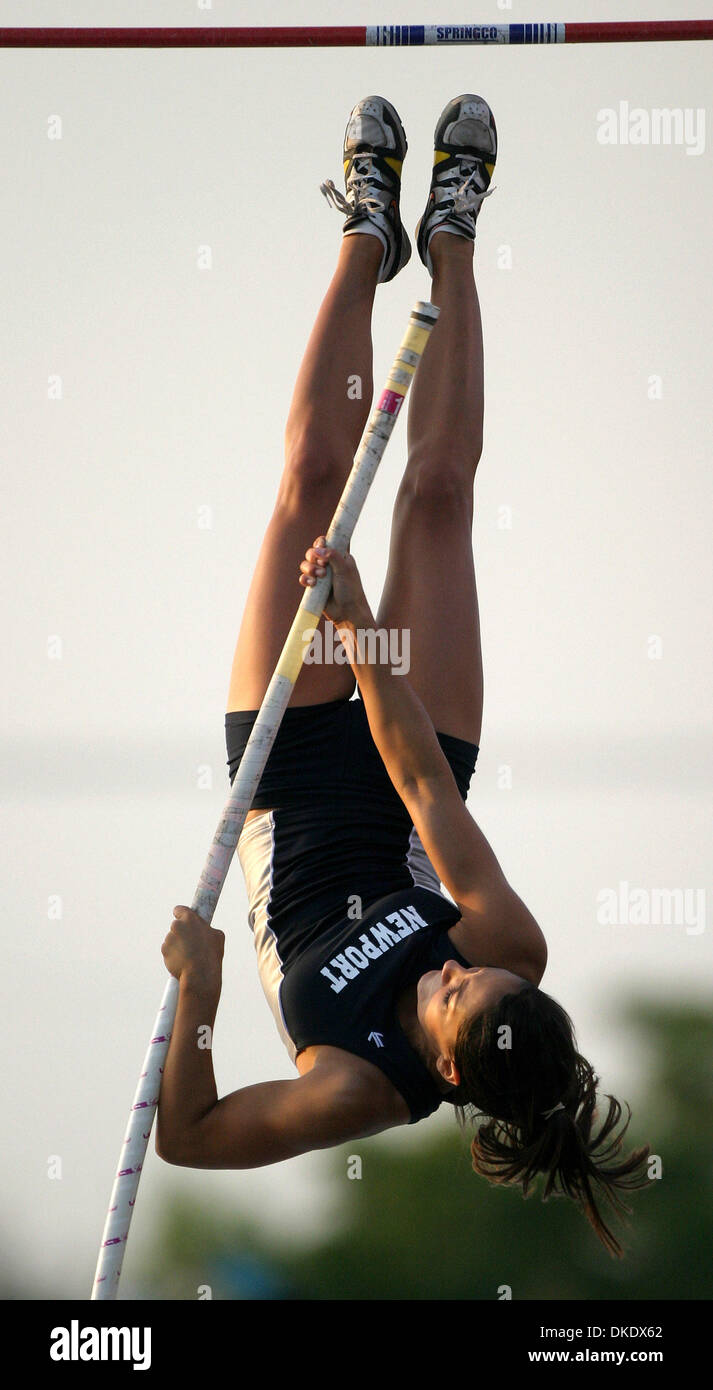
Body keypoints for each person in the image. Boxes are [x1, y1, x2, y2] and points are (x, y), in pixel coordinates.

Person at [157, 96, 651, 1257]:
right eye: (469, 975)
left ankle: (362, 228)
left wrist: (201, 996)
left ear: (440, 1062)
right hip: (409, 743)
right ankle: (452, 231)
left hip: (285, 772)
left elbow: (188, 1131)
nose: (453, 970)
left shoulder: (350, 1089)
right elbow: (425, 786)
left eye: (449, 994)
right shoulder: (510, 950)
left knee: (313, 479)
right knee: (434, 500)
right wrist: (360, 619)